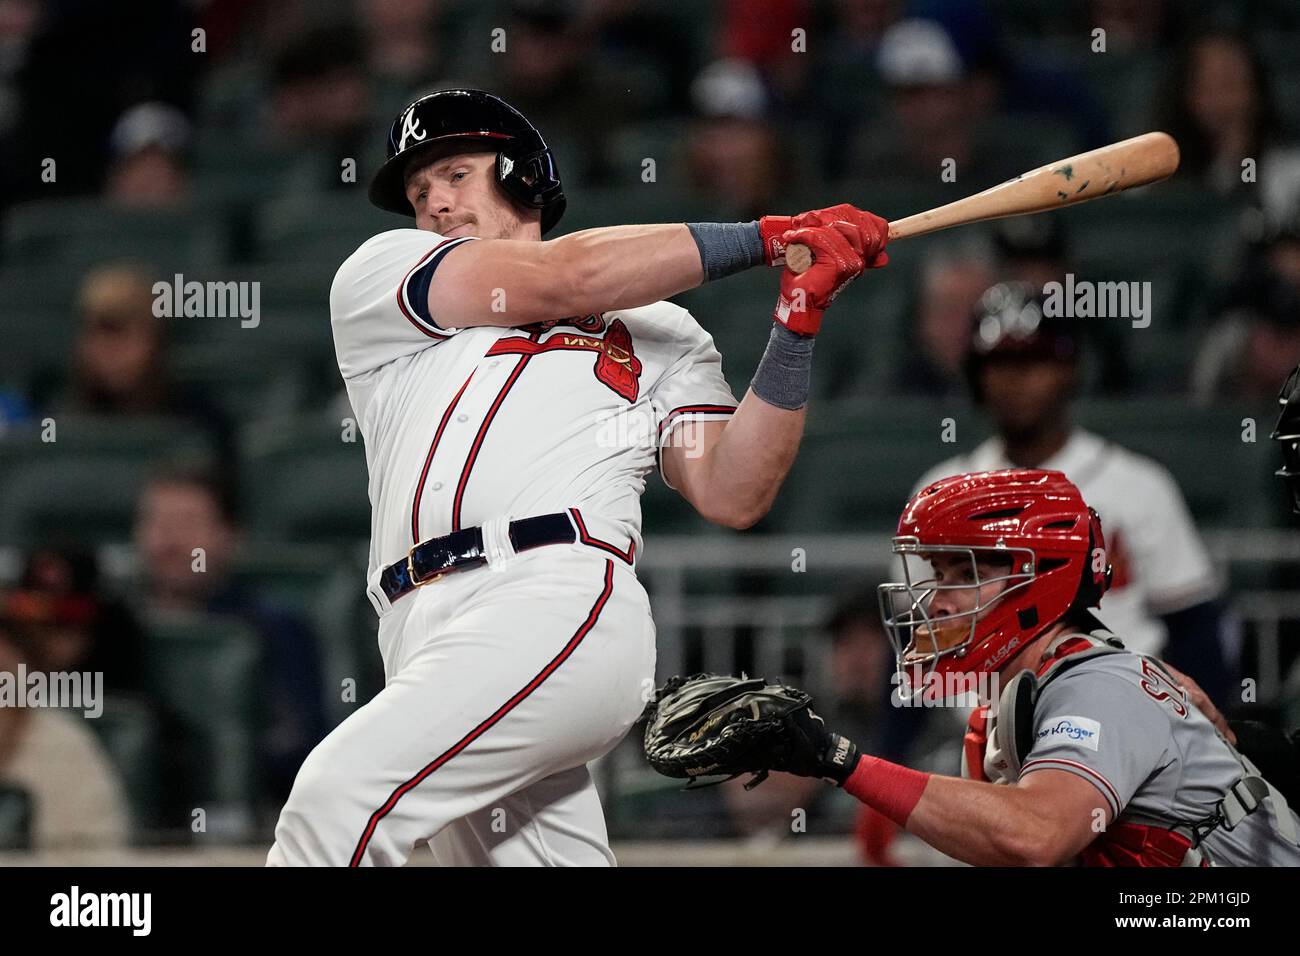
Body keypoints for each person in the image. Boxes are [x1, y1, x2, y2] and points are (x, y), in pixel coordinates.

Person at [265, 87, 889, 866]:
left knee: (336, 799)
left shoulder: (662, 329)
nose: (434, 203)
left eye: (455, 174)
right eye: (420, 192)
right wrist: (770, 237)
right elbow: (567, 278)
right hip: (417, 624)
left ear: (523, 175)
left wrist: (795, 325)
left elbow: (734, 490)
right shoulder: (382, 277)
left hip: (553, 592)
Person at [705, 469, 1300, 866]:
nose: (937, 600)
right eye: (938, 575)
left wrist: (839, 761)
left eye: (966, 575)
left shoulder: (1098, 685)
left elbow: (1035, 834)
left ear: (1038, 581)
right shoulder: (1017, 700)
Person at [912, 282, 1230, 700]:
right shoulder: (942, 495)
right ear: (977, 374)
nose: (1017, 379)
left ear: (1070, 369)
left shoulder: (1137, 485)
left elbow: (1194, 631)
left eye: (1035, 360)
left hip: (1124, 717)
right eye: (1001, 362)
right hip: (981, 732)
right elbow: (918, 646)